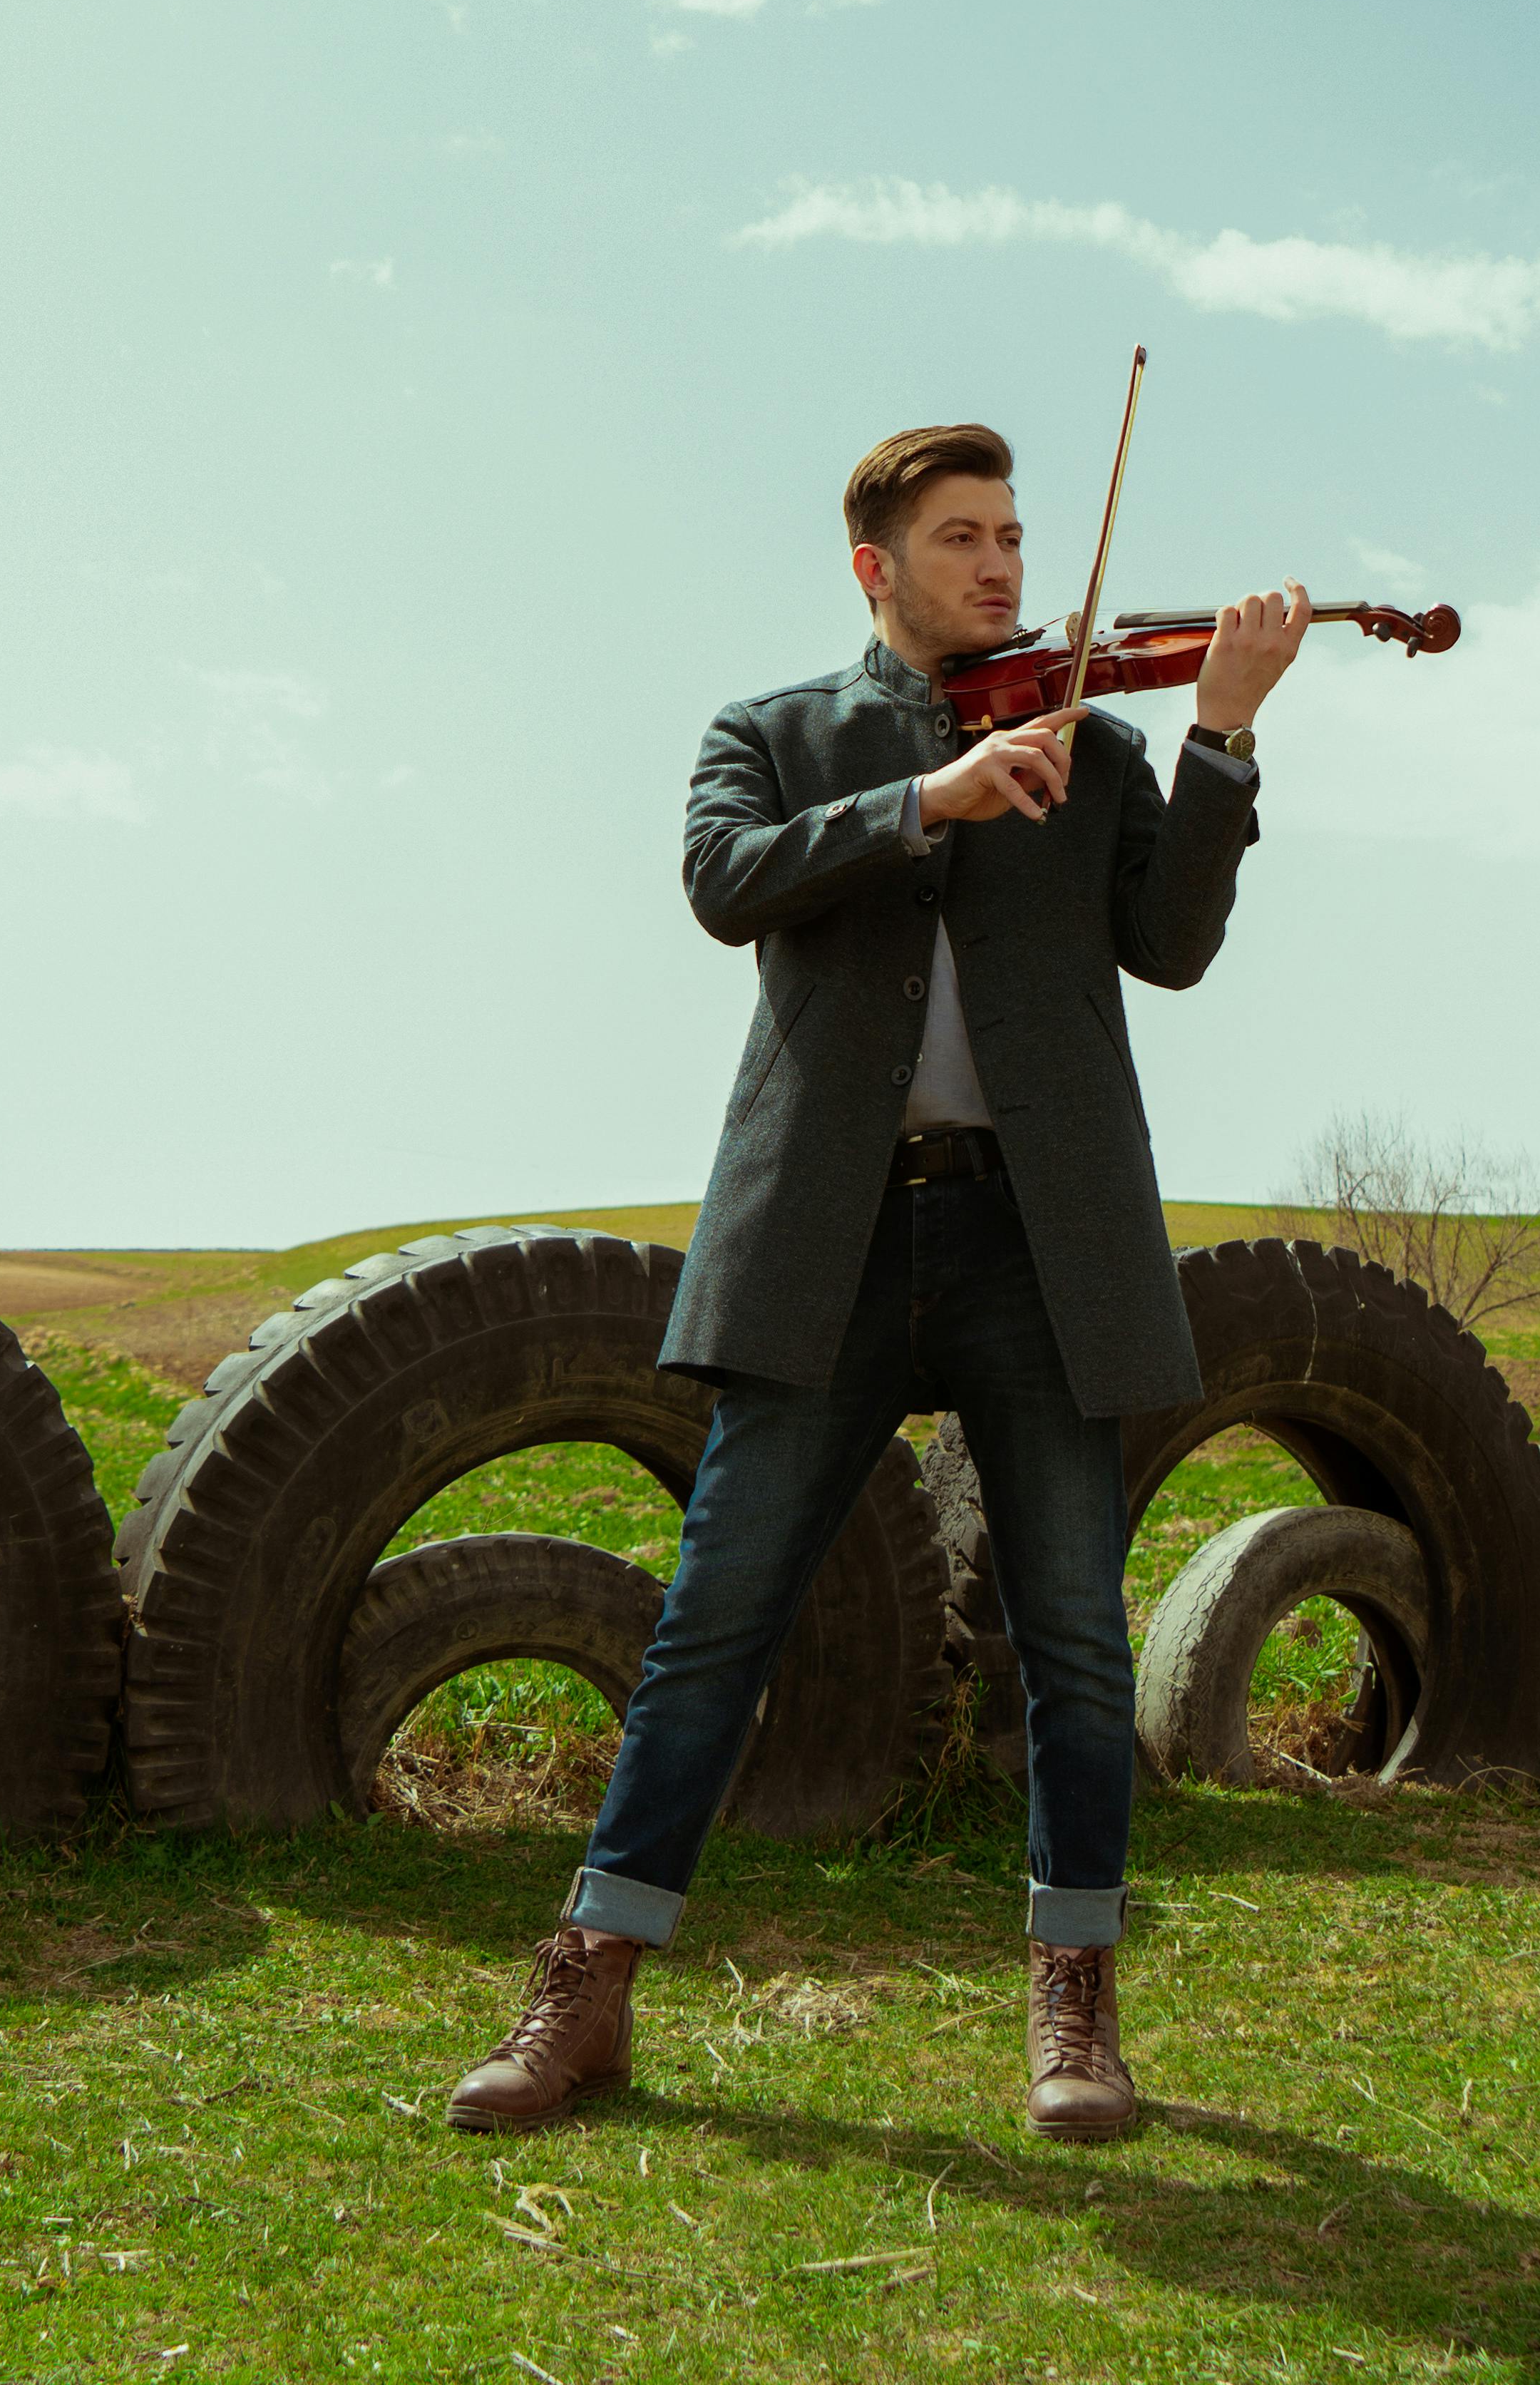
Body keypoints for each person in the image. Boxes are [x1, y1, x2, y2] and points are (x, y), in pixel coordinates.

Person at [446, 419, 1305, 2143]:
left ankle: (1075, 2007)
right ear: (875, 566)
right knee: (712, 1623)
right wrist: (929, 797)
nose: (1002, 565)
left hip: (1034, 1241)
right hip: (825, 1243)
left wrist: (1218, 734)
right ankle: (586, 1987)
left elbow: (1173, 946)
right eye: (963, 537)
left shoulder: (1092, 741)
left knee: (1072, 1637)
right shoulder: (772, 735)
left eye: (1012, 535)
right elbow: (723, 882)